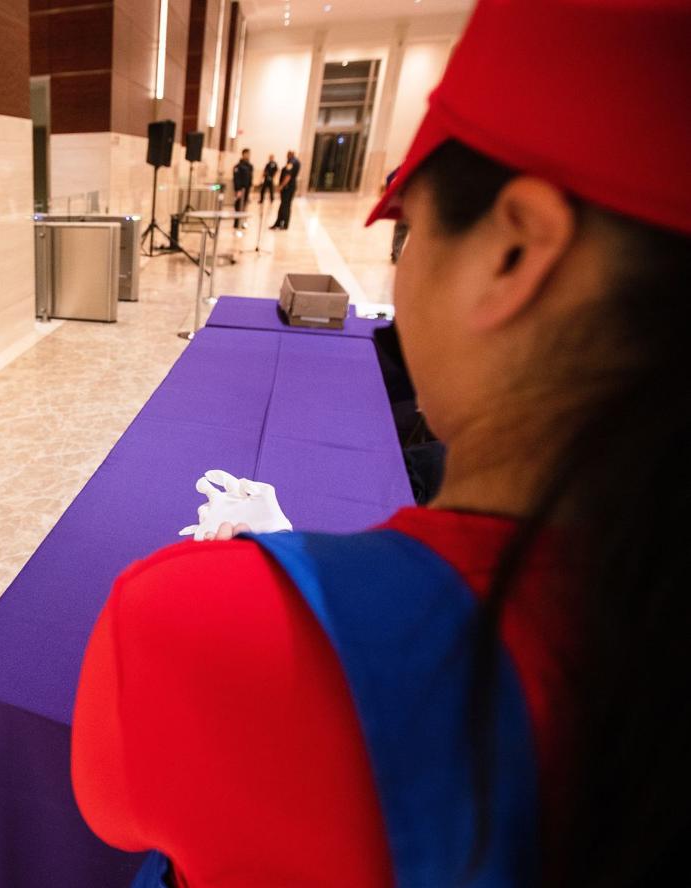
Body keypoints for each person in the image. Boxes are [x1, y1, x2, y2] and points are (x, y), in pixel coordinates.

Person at [72, 0, 690, 886]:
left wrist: (282, 578)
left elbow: (112, 812)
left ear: (512, 254)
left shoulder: (189, 622)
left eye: (409, 230)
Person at [270, 149, 300, 229]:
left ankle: (283, 224)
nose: (286, 156)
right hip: (290, 187)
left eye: (287, 154)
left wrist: (281, 186)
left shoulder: (292, 162)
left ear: (290, 154)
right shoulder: (295, 161)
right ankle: (280, 223)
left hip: (288, 188)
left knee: (285, 206)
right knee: (285, 205)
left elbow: (288, 176)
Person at [231, 148, 254, 229]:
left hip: (247, 189)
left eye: (249, 154)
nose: (248, 155)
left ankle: (242, 222)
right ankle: (237, 223)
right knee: (238, 206)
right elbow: (236, 178)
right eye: (247, 154)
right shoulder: (238, 166)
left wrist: (251, 189)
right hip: (240, 189)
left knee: (244, 206)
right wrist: (238, 189)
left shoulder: (250, 166)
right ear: (243, 154)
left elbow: (250, 178)